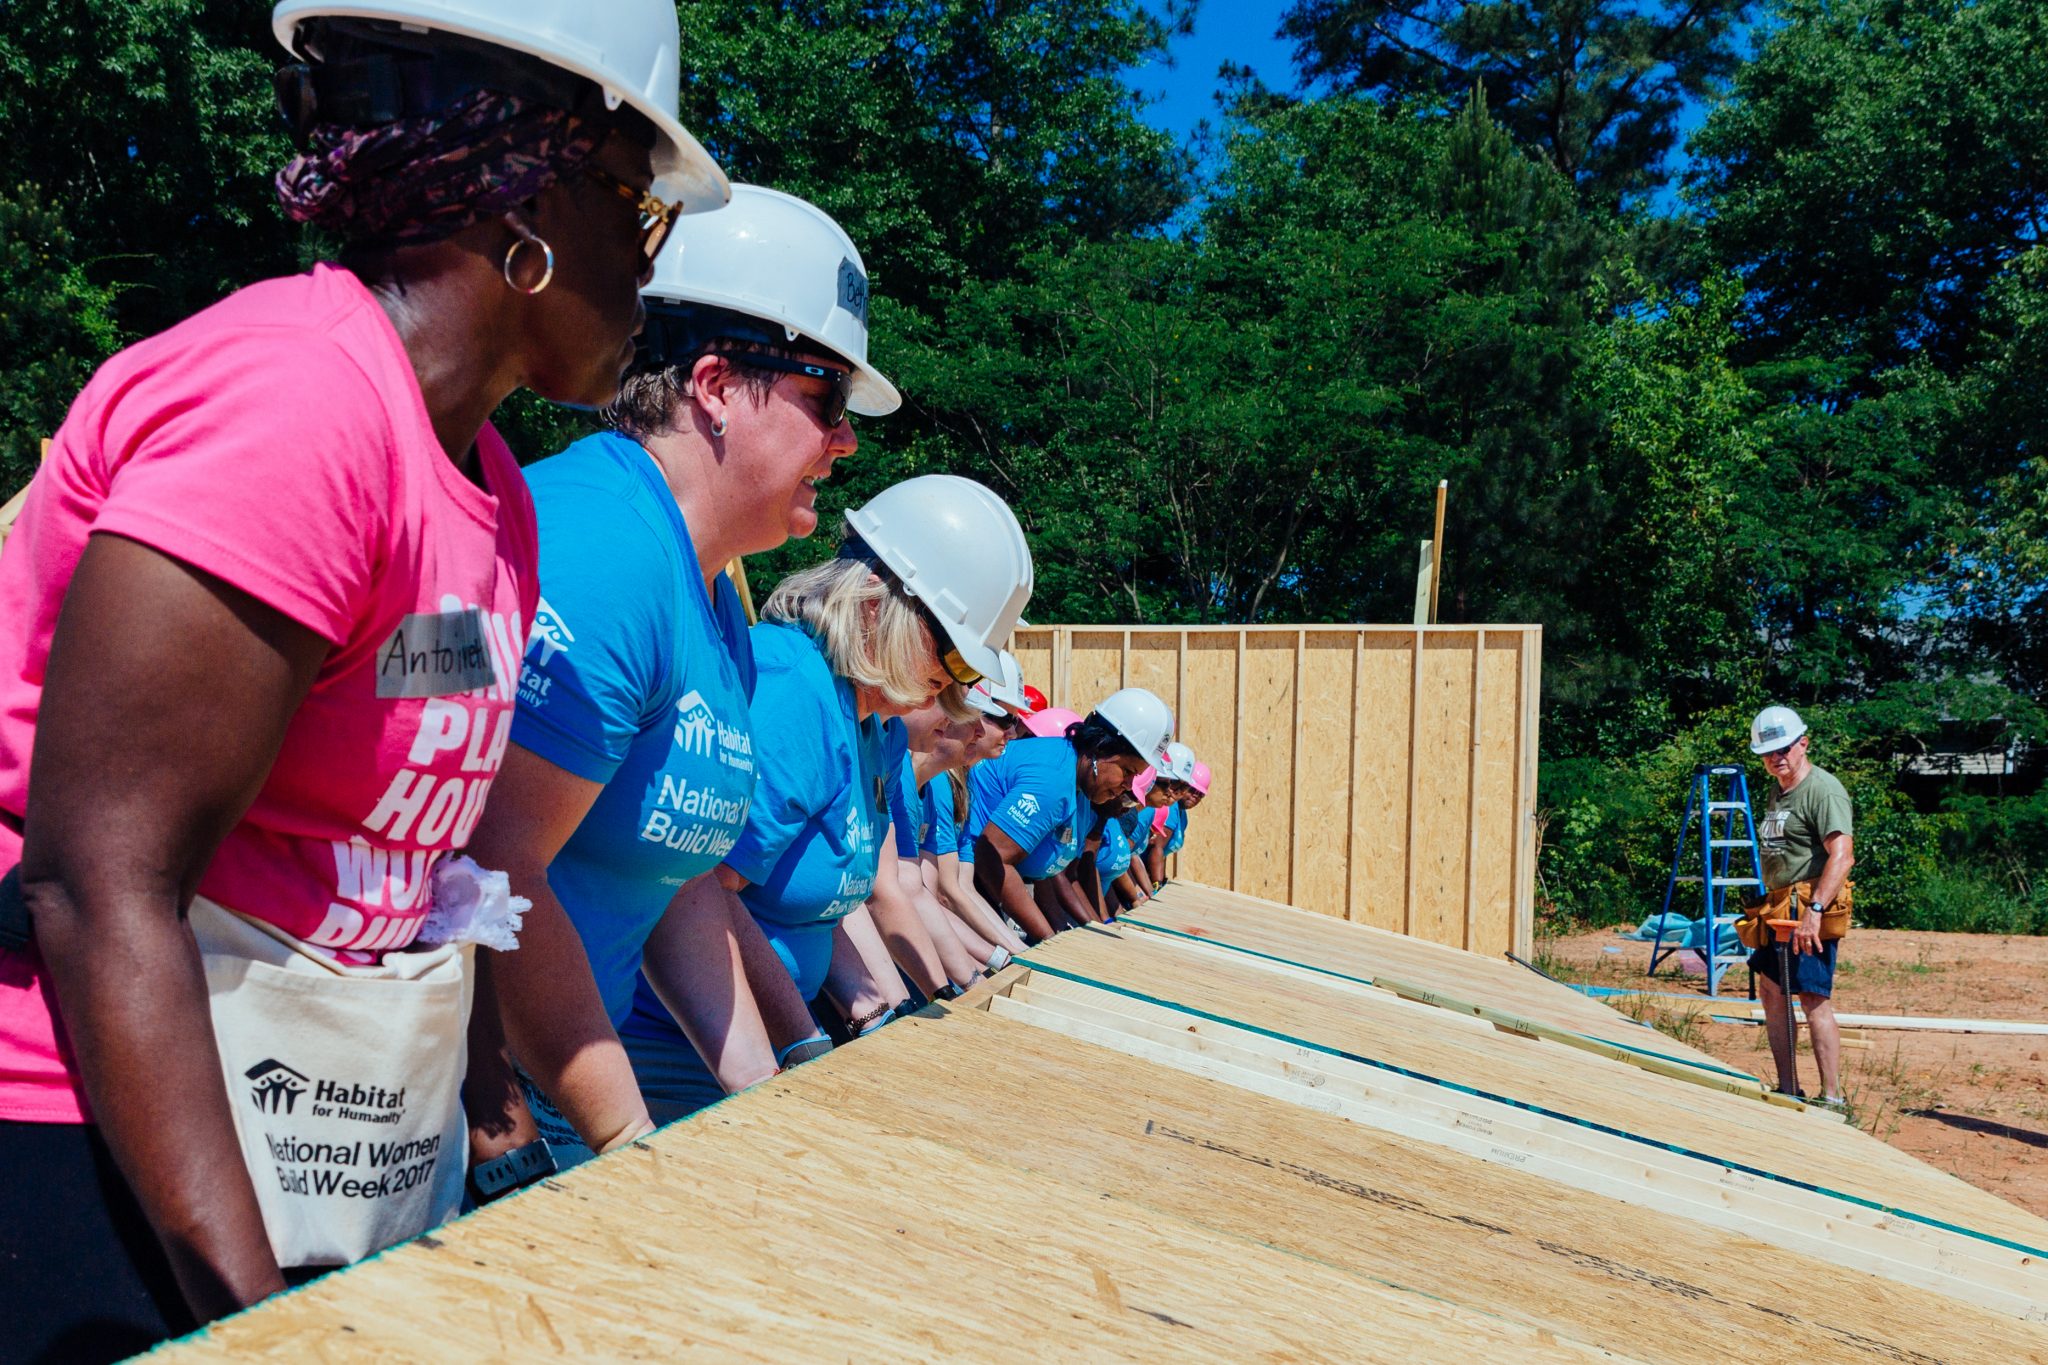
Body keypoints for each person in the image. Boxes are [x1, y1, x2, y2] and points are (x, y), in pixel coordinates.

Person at [0, 2, 724, 1352]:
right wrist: (258, 1327)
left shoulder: (489, 486)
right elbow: (98, 885)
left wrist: (489, 1105)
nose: (648, 280)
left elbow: (409, 838)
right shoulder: (294, 412)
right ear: (530, 205)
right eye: (639, 213)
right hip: (88, 1145)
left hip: (313, 1147)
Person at [460, 184, 897, 1168]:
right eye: (826, 399)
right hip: (491, 1108)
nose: (846, 441)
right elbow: (490, 866)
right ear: (712, 384)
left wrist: (777, 1090)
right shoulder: (603, 549)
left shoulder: (715, 599)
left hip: (572, 1088)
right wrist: (622, 1140)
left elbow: (686, 879)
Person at [612, 475, 1032, 1109]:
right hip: (672, 1054)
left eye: (968, 671)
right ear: (873, 604)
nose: (951, 685)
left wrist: (874, 1011)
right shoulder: (792, 694)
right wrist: (802, 1042)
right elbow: (697, 894)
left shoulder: (874, 724)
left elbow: (813, 907)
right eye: (952, 653)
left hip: (755, 1045)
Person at [970, 689, 1174, 941]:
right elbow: (993, 858)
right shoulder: (1054, 780)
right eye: (1128, 771)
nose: (1129, 785)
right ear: (1101, 748)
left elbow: (1046, 871)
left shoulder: (1080, 790)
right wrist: (1048, 941)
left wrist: (1078, 933)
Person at [1740, 706, 1855, 1108]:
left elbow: (1842, 856)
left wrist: (1816, 910)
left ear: (1803, 743)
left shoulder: (1823, 790)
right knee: (1772, 992)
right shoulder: (1779, 788)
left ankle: (1832, 1098)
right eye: (1768, 753)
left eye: (1784, 748)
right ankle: (1789, 1089)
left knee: (1812, 997)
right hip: (1779, 908)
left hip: (1809, 907)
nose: (1777, 758)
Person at [1147, 748, 1205, 886]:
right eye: (1192, 790)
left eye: (1200, 794)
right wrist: (1157, 885)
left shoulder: (1182, 816)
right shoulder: (1170, 809)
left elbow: (1163, 853)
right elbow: (1157, 847)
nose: (1194, 796)